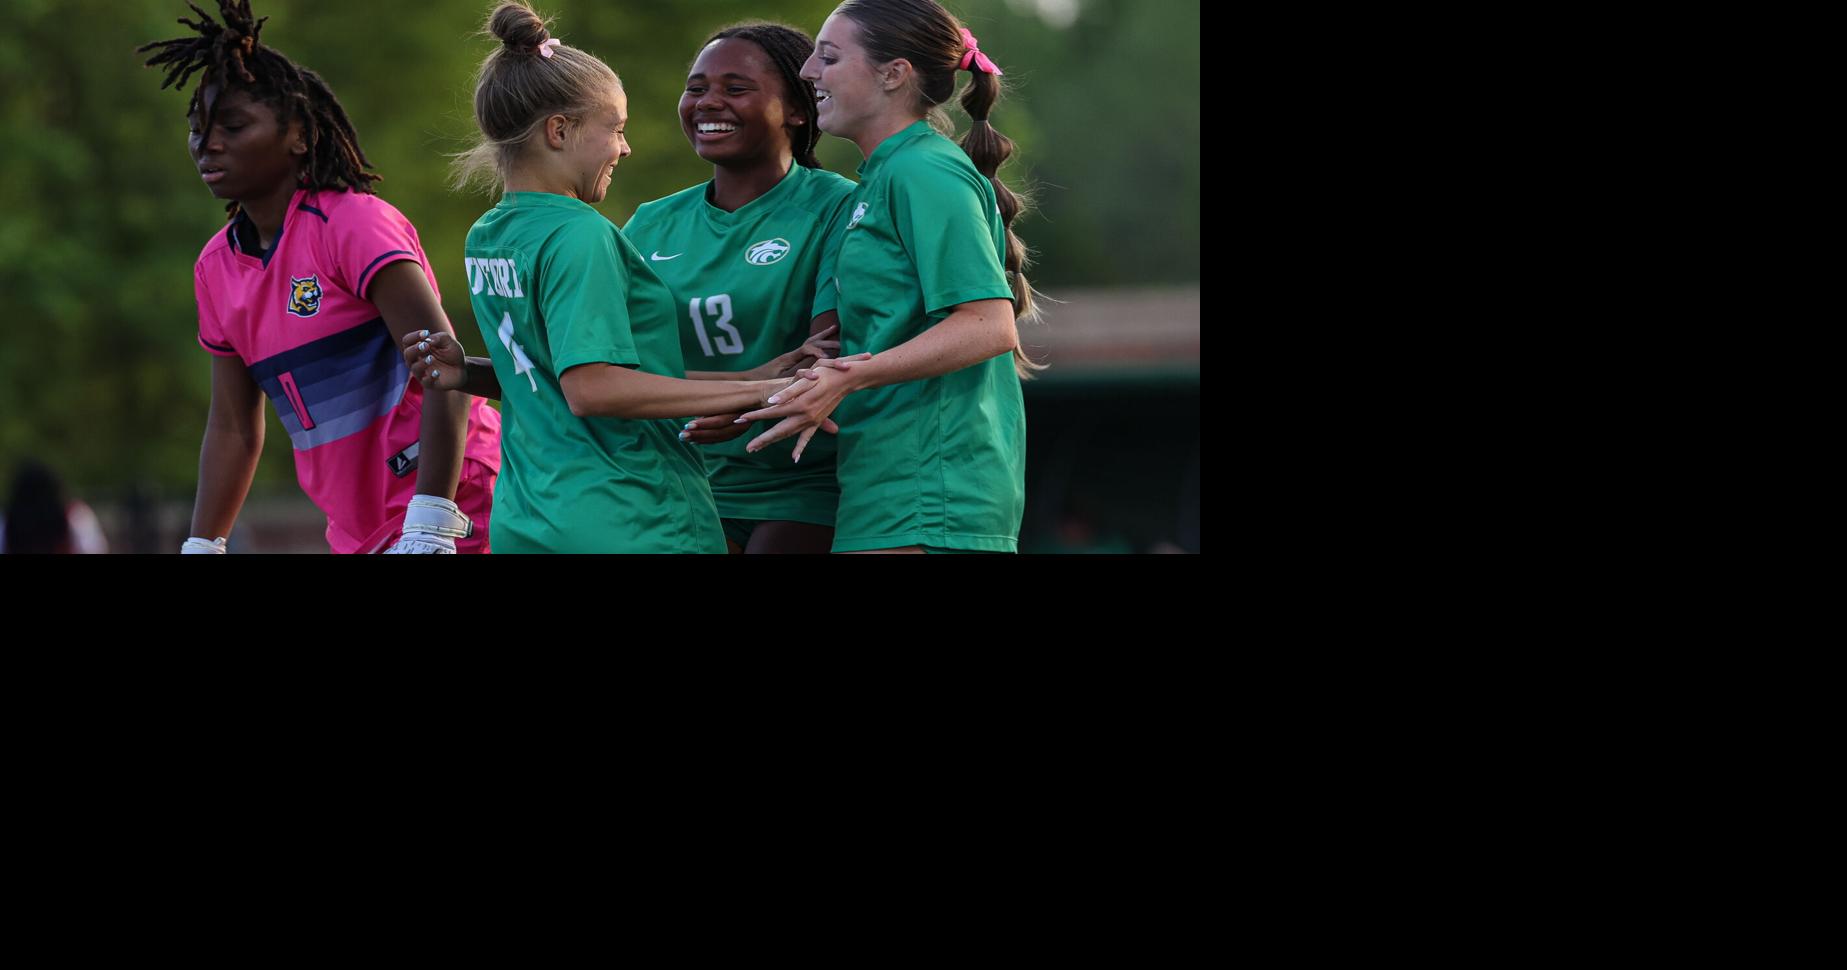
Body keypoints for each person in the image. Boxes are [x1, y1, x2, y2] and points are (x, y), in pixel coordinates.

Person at [405, 1, 820, 553]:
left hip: (528, 519)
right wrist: (774, 392)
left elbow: (551, 376)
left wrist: (746, 381)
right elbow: (593, 387)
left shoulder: (488, 234)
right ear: (560, 130)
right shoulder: (581, 234)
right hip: (627, 517)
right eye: (615, 129)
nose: (624, 147)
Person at [140, 0, 501, 555]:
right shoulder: (215, 267)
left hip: (452, 499)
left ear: (300, 136)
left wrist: (431, 520)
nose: (207, 144)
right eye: (197, 129)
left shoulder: (352, 223)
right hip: (357, 526)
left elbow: (444, 372)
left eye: (233, 126)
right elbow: (234, 429)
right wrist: (202, 546)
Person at [740, 0, 1043, 553]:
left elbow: (987, 326)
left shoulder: (922, 170)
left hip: (931, 488)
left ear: (893, 74)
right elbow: (895, 328)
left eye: (827, 57)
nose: (808, 71)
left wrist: (850, 376)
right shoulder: (884, 174)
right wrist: (818, 366)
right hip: (887, 480)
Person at [621, 22, 858, 554]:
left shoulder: (838, 206)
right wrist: (739, 386)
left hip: (801, 483)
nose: (708, 103)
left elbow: (825, 357)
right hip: (675, 479)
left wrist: (739, 404)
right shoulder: (649, 224)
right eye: (697, 87)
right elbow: (615, 365)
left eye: (735, 88)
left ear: (798, 110)